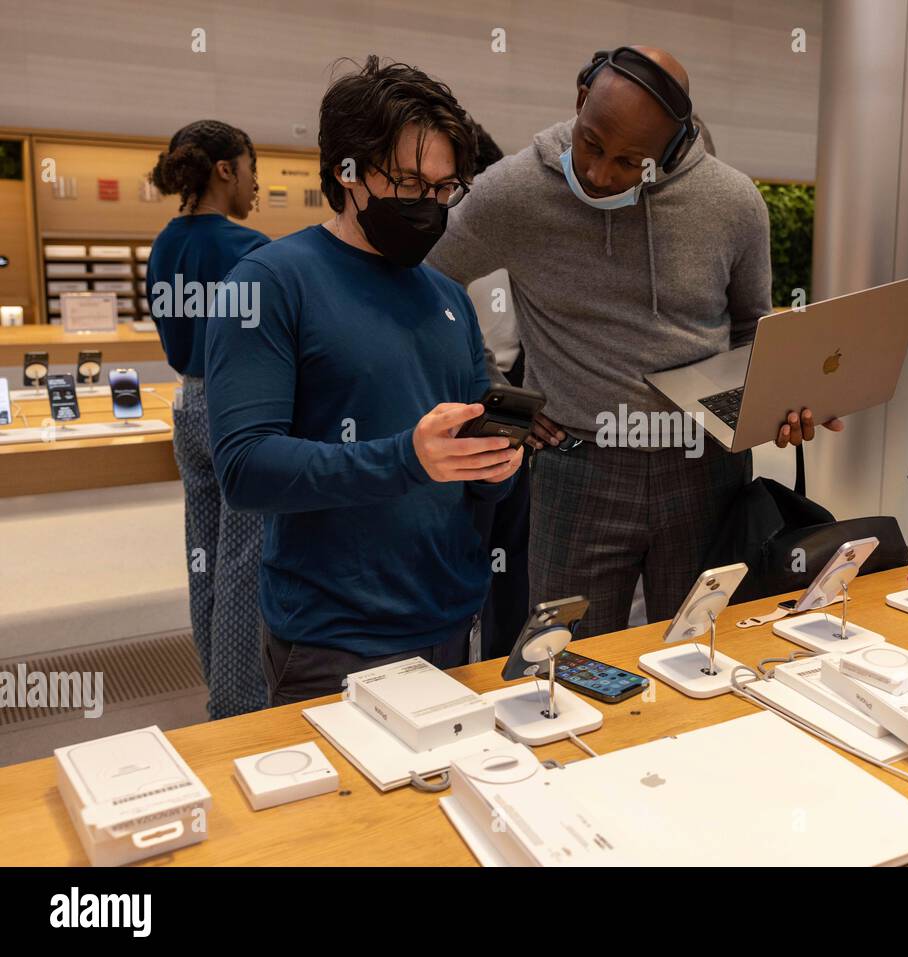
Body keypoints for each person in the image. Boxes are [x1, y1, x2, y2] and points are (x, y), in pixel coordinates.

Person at [429, 45, 841, 639]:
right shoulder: (515, 191)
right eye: (592, 143)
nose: (599, 174)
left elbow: (754, 328)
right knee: (560, 660)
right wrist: (490, 387)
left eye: (629, 161)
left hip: (704, 464)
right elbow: (430, 284)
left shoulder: (733, 203)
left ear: (674, 147)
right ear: (579, 102)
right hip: (577, 464)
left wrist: (782, 397)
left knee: (696, 653)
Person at [205, 57, 523, 705]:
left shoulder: (449, 298)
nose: (429, 205)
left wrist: (496, 464)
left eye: (443, 190)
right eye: (408, 182)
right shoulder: (269, 283)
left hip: (449, 616)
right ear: (347, 171)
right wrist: (406, 456)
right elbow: (244, 466)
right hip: (335, 638)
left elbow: (461, 455)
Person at [146, 121, 270, 720]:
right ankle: (239, 704)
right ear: (226, 169)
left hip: (187, 403)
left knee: (206, 555)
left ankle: (216, 680)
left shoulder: (165, 244)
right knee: (246, 562)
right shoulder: (249, 249)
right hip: (236, 407)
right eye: (252, 169)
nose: (256, 183)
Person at [462, 120, 533, 659]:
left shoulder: (494, 229)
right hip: (485, 400)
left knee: (505, 557)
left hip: (506, 404)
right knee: (493, 557)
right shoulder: (462, 238)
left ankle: (496, 666)